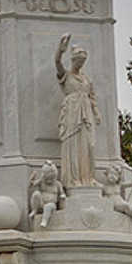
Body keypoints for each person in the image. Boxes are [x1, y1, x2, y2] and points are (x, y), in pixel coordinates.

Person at [54, 33, 101, 188]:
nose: (80, 64)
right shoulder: (66, 75)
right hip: (71, 111)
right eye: (78, 61)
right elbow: (57, 62)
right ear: (73, 60)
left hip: (86, 112)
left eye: (83, 62)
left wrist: (96, 112)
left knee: (89, 145)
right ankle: (73, 179)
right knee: (73, 144)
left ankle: (88, 177)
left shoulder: (87, 79)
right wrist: (60, 50)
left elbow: (92, 97)